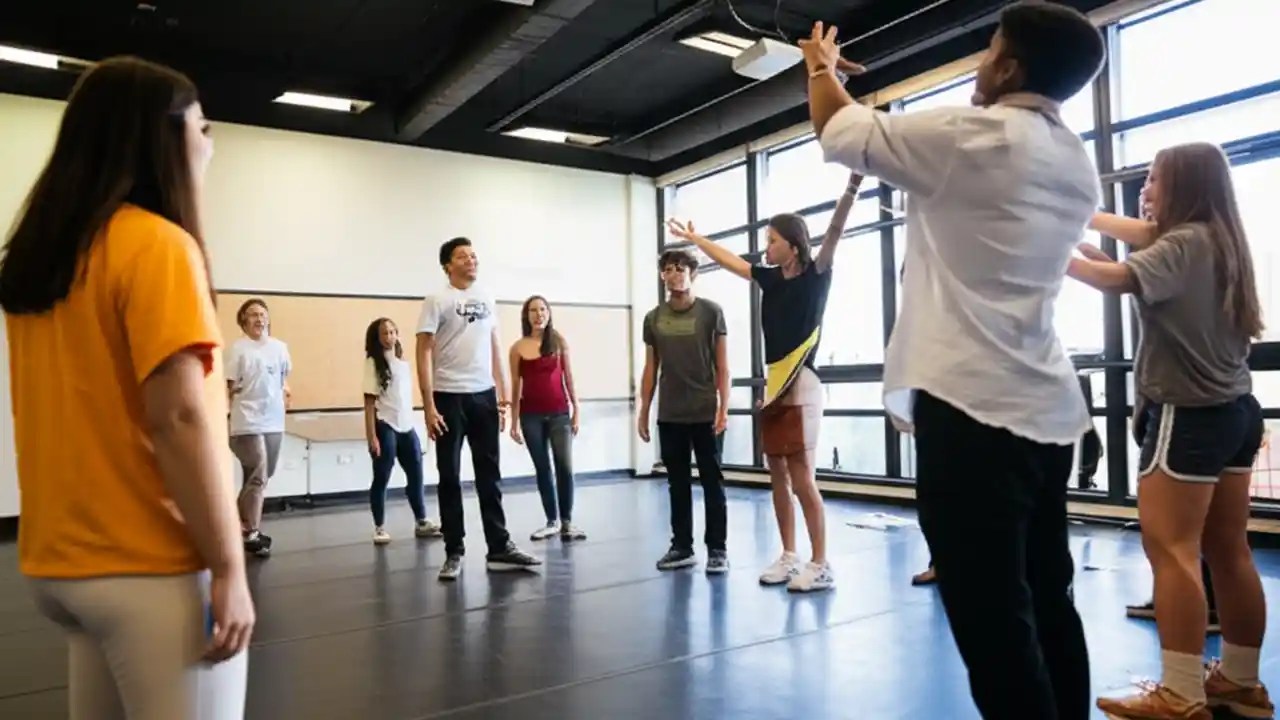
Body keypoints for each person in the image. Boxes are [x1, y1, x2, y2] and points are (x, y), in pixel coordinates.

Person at [799, 2, 1105, 717]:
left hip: (970, 414)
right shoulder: (1074, 161)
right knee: (1048, 597)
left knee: (992, 620)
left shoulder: (974, 136)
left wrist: (817, 64)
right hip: (1048, 414)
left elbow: (839, 130)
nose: (979, 63)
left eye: (988, 49)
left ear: (1009, 66)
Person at [0, 56, 253, 718]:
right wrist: (229, 566)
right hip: (149, 567)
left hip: (60, 568)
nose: (210, 141)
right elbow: (179, 419)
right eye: (202, 125)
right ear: (162, 136)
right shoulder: (159, 247)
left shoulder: (49, 258)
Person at [1071, 143, 1271, 720]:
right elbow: (1122, 236)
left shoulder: (1181, 243)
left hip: (1188, 416)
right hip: (1235, 412)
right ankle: (1240, 681)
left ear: (1183, 187)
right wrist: (1074, 218)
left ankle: (1181, 693)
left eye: (1155, 180)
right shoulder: (1218, 238)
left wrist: (1052, 250)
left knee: (1172, 552)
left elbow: (1111, 278)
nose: (1144, 188)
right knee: (1228, 549)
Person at [666, 170, 863, 592]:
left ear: (793, 245)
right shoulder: (770, 279)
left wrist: (852, 186)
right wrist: (696, 240)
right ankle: (790, 555)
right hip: (774, 385)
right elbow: (732, 262)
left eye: (773, 240)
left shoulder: (817, 273)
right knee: (777, 472)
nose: (766, 247)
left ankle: (821, 562)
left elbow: (835, 229)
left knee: (803, 475)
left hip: (803, 381)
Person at [416, 237, 541, 581]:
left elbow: (495, 346)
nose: (471, 260)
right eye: (462, 256)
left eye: (473, 255)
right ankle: (454, 550)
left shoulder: (487, 297)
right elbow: (424, 351)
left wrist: (502, 396)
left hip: (483, 396)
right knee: (450, 477)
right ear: (447, 265)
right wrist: (428, 405)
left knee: (490, 474)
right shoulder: (436, 300)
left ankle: (499, 547)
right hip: (448, 396)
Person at [637, 249, 730, 574]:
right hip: (671, 413)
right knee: (677, 483)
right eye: (667, 269)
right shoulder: (653, 318)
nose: (674, 273)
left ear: (693, 273)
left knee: (711, 482)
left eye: (680, 268)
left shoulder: (710, 312)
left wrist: (724, 407)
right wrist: (644, 409)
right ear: (662, 275)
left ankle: (717, 549)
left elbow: (723, 366)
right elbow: (651, 368)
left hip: (705, 411)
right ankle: (682, 547)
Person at [509, 295, 586, 541]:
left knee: (565, 466)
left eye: (543, 309)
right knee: (543, 468)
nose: (538, 314)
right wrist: (513, 422)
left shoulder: (559, 342)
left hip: (559, 414)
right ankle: (551, 521)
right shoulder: (518, 348)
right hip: (530, 415)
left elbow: (569, 378)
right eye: (533, 310)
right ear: (526, 315)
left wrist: (576, 411)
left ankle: (567, 521)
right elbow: (515, 386)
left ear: (549, 313)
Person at [363, 317, 443, 545]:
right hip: (385, 425)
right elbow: (369, 404)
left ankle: (421, 521)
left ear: (397, 334)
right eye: (384, 333)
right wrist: (372, 437)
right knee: (382, 477)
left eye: (392, 332)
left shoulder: (403, 364)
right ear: (377, 339)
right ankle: (379, 527)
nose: (389, 337)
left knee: (416, 474)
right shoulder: (372, 363)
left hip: (406, 426)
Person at [226, 297, 291, 557]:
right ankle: (251, 532)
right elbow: (227, 386)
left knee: (263, 474)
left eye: (262, 314)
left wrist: (285, 393)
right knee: (258, 473)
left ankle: (232, 522)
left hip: (273, 420)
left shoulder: (280, 348)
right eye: (253, 315)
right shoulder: (237, 349)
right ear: (243, 321)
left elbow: (284, 379)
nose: (259, 319)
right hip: (246, 421)